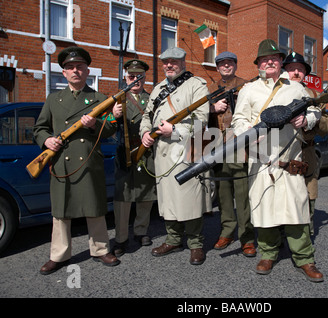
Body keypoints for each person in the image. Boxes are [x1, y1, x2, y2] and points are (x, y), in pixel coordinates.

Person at [231, 39, 323, 282]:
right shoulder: (248, 90)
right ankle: (268, 253)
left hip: (290, 162)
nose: (269, 61)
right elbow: (238, 120)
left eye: (274, 58)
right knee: (264, 210)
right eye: (264, 59)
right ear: (258, 64)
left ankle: (305, 258)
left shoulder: (295, 87)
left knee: (297, 211)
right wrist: (249, 134)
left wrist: (306, 120)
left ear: (281, 61)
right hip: (260, 162)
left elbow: (315, 111)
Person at [34, 46, 120, 275]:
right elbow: (39, 128)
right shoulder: (54, 99)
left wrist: (95, 125)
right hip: (62, 161)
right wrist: (47, 141)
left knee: (95, 207)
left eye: (79, 67)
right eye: (70, 68)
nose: (75, 71)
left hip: (88, 161)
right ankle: (59, 255)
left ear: (87, 70)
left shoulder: (99, 99)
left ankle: (101, 249)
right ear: (63, 73)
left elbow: (111, 128)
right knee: (61, 211)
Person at [140, 47, 209, 265]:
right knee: (168, 197)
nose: (169, 65)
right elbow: (146, 116)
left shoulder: (196, 85)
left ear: (183, 62)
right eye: (166, 62)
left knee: (190, 198)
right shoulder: (158, 88)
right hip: (161, 153)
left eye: (174, 61)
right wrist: (144, 133)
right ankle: (173, 239)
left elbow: (202, 121)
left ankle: (196, 244)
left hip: (184, 150)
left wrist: (176, 131)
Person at [208, 51, 256, 257]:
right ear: (217, 67)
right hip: (217, 143)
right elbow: (199, 113)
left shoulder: (247, 86)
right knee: (223, 193)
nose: (226, 66)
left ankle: (247, 237)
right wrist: (212, 108)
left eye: (229, 63)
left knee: (242, 193)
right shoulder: (210, 88)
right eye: (222, 64)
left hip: (239, 143)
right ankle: (227, 232)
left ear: (235, 65)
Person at [111, 59, 157, 257]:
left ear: (144, 77)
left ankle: (141, 231)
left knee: (145, 194)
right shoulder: (118, 98)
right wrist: (113, 115)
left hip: (145, 151)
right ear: (125, 77)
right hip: (125, 151)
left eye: (139, 77)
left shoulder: (152, 98)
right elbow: (105, 126)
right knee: (123, 197)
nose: (135, 80)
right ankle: (121, 237)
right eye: (131, 76)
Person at [283, 52, 328, 236]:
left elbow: (326, 129)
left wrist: (314, 118)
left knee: (308, 196)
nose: (296, 72)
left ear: (305, 73)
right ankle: (281, 237)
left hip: (306, 153)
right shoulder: (276, 94)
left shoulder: (314, 95)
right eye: (291, 69)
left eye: (300, 69)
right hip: (282, 153)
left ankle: (306, 234)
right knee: (283, 197)